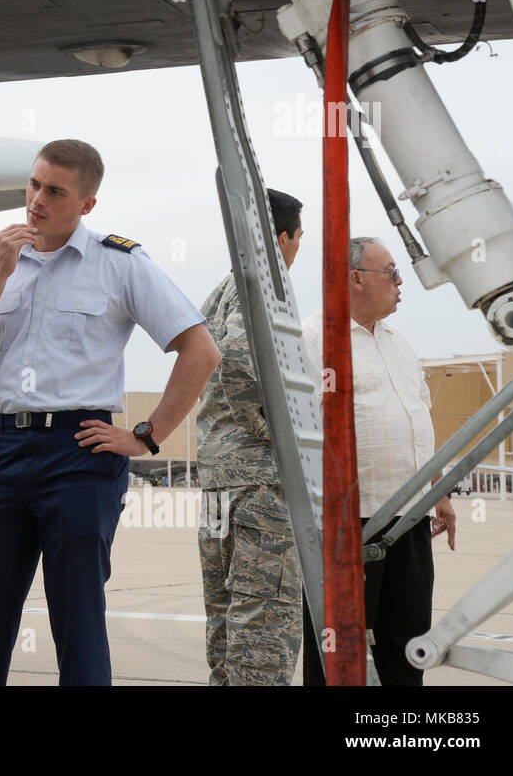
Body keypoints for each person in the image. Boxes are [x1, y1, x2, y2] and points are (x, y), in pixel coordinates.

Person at [0, 139, 221, 686]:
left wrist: (146, 436)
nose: (36, 200)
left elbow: (200, 350)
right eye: (34, 185)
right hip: (3, 449)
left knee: (78, 618)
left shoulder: (120, 264)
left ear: (86, 205)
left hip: (79, 454)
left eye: (55, 191)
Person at [300, 236, 457, 685]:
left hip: (410, 518)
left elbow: (418, 421)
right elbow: (299, 432)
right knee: (340, 653)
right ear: (356, 279)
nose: (400, 281)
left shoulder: (399, 343)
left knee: (407, 647)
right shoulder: (313, 341)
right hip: (350, 523)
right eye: (390, 272)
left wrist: (439, 492)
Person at [196, 188, 305, 686]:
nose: (299, 249)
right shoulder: (263, 283)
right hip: (258, 480)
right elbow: (238, 356)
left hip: (221, 478)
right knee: (263, 619)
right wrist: (270, 431)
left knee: (226, 614)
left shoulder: (221, 290)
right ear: (281, 238)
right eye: (299, 238)